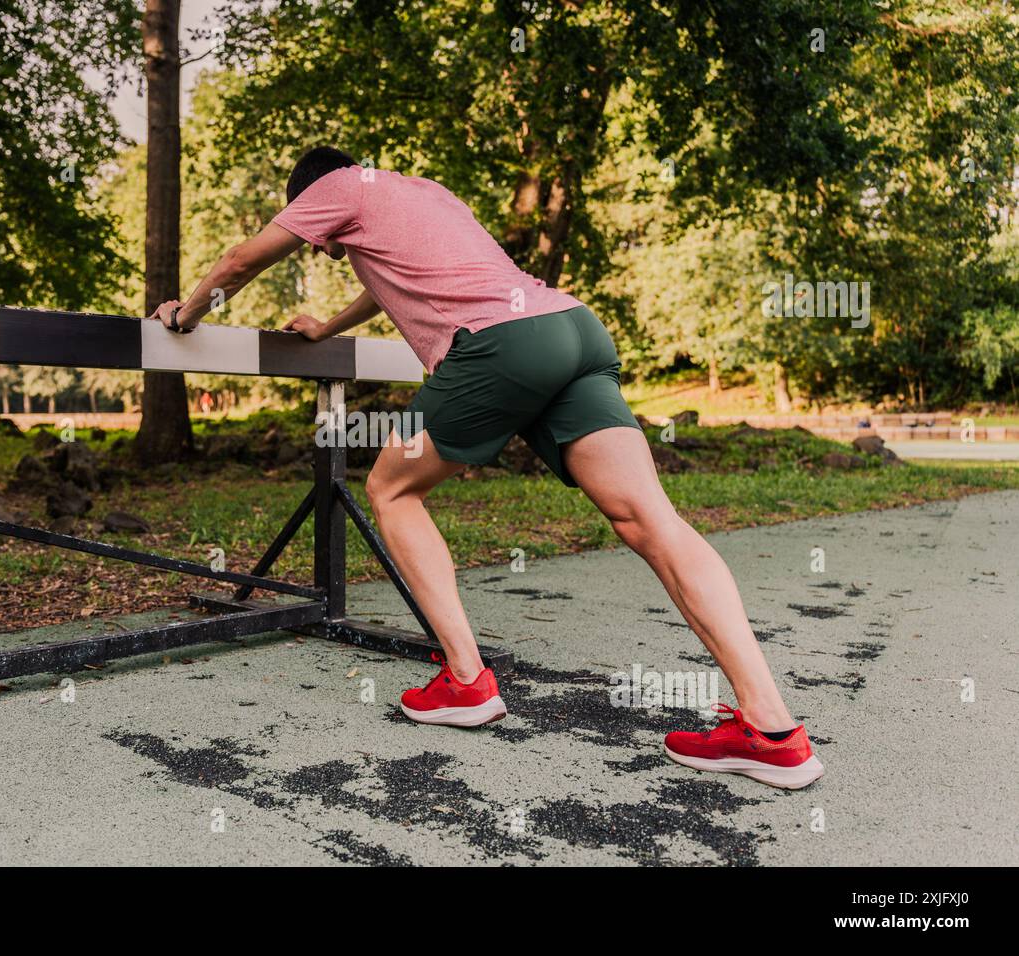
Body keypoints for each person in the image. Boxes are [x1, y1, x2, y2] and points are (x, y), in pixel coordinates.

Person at [151, 146, 824, 790]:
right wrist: (326, 328)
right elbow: (402, 281)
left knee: (391, 489)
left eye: (314, 228)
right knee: (650, 519)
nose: (323, 244)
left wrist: (186, 312)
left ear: (312, 192)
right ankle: (772, 732)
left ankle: (467, 680)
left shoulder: (334, 187)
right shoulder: (420, 194)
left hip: (498, 346)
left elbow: (243, 260)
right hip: (573, 329)